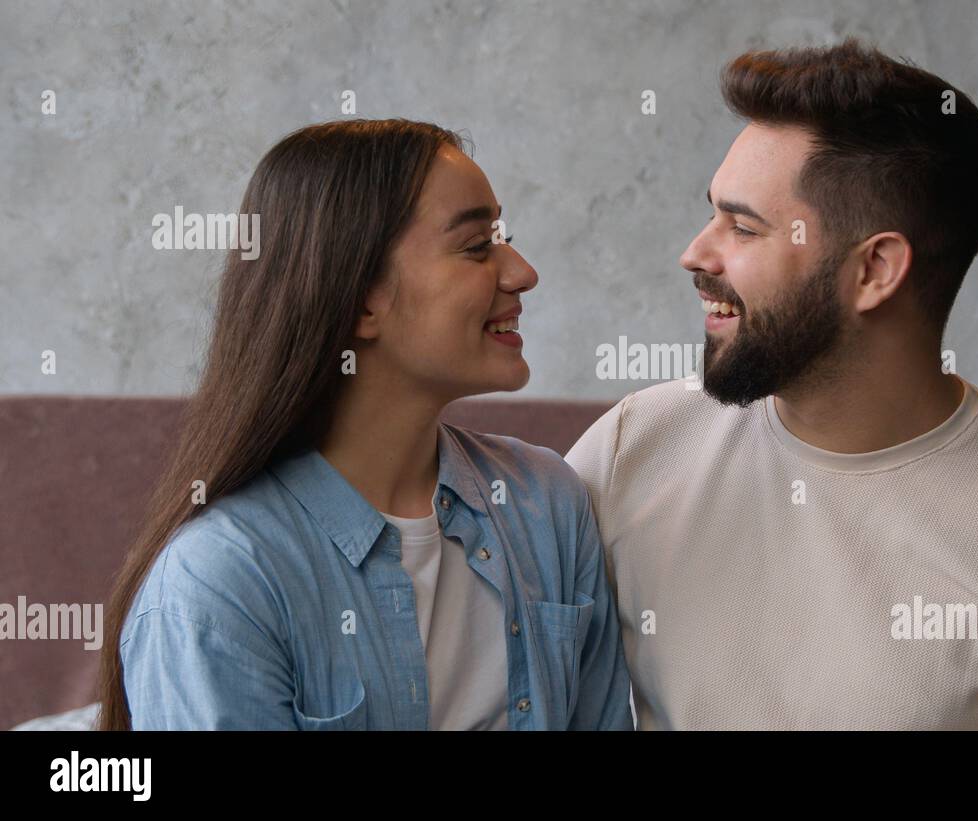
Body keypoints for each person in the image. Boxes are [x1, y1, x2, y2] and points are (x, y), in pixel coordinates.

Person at [565, 39, 978, 730]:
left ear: (876, 269)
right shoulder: (630, 450)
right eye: (713, 214)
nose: (696, 253)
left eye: (742, 226)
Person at [98, 119, 632, 730]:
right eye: (477, 246)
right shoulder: (219, 585)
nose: (521, 273)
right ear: (359, 300)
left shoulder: (546, 504)